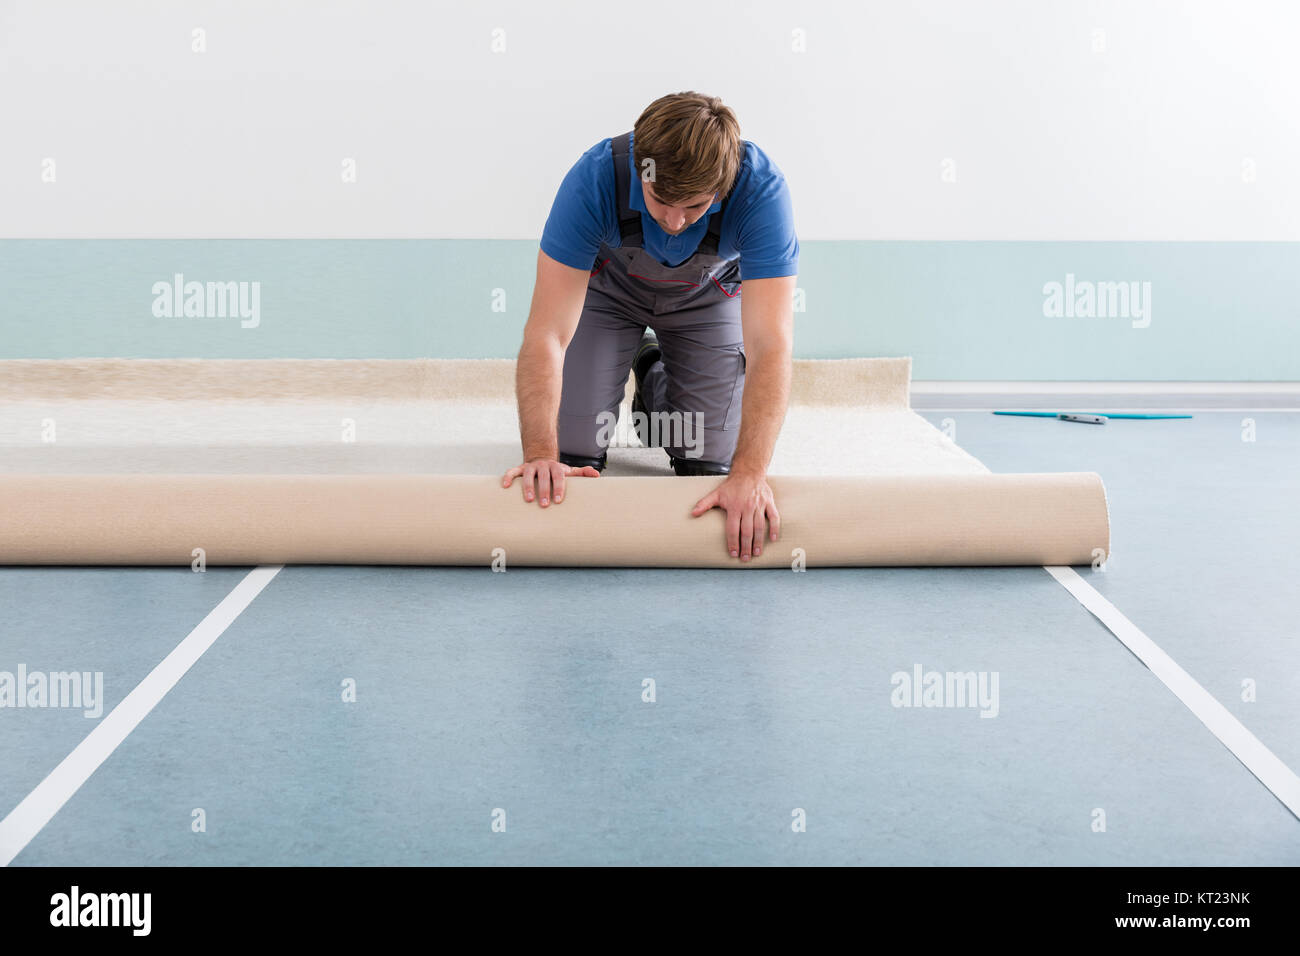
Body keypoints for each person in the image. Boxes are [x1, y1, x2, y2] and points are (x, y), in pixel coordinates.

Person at [502, 91, 799, 562]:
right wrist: (539, 453)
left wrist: (749, 473)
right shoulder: (595, 178)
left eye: (696, 207)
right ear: (642, 169)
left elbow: (770, 345)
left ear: (723, 189)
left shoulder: (762, 191)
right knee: (573, 458)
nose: (675, 222)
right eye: (660, 200)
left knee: (705, 460)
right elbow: (547, 334)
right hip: (609, 294)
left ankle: (652, 373)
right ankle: (608, 383)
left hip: (707, 296)